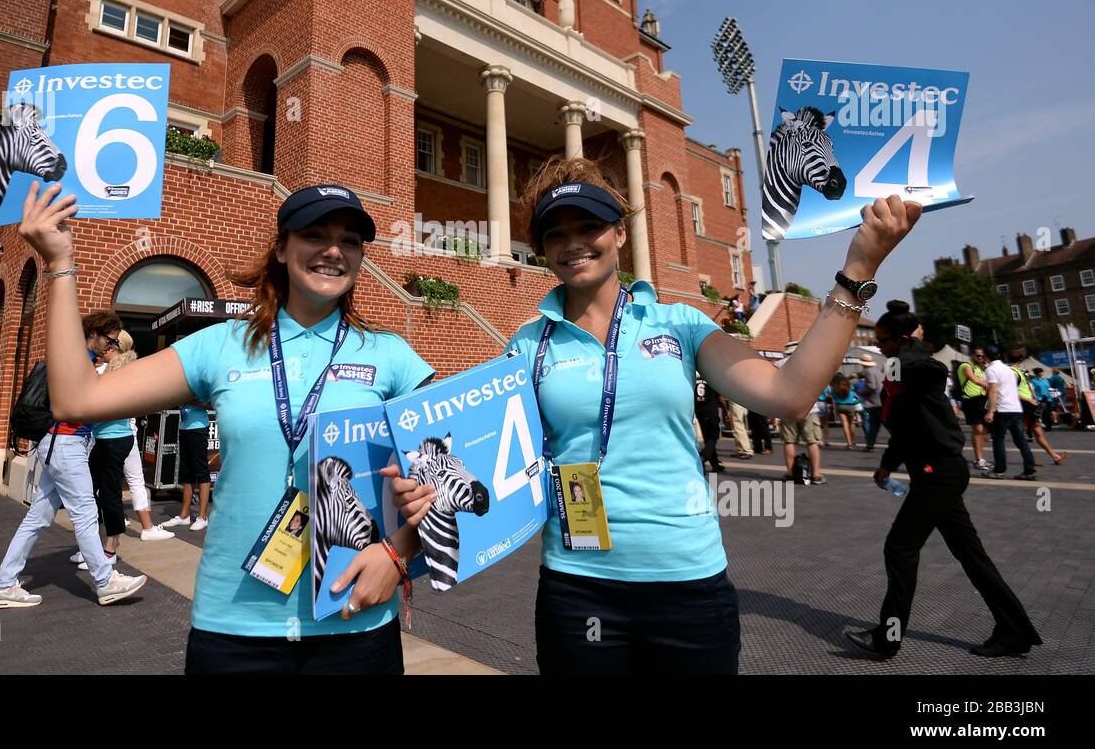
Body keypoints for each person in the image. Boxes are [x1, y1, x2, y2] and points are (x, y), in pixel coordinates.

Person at [391, 156, 920, 674]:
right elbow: (480, 453)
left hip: (688, 582)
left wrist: (859, 269)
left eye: (589, 225)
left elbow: (789, 393)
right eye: (555, 233)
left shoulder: (679, 323)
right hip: (578, 587)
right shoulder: (528, 345)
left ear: (619, 233)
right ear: (542, 249)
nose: (573, 241)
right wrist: (423, 485)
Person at [9, 180, 433, 673]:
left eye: (351, 241)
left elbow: (451, 482)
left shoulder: (391, 356)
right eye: (314, 234)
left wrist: (399, 555)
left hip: (354, 623)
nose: (333, 251)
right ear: (281, 248)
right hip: (234, 629)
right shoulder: (221, 345)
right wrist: (59, 266)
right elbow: (75, 399)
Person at [843, 301, 1043, 660]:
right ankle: (1015, 631)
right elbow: (904, 430)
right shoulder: (900, 376)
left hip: (939, 475)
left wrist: (909, 349)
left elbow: (933, 370)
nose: (880, 348)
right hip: (937, 473)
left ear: (901, 340)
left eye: (884, 341)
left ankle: (888, 638)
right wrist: (887, 465)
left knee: (900, 548)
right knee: (972, 557)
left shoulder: (918, 368)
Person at [0, 309, 148, 608]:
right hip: (67, 443)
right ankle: (105, 581)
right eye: (109, 341)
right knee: (85, 513)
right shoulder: (80, 364)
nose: (111, 347)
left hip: (58, 443)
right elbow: (77, 408)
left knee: (37, 517)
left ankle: (4, 584)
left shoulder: (77, 360)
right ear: (94, 335)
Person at [70, 330, 172, 571]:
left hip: (117, 439)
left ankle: (110, 550)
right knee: (88, 494)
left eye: (105, 342)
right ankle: (92, 548)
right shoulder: (103, 370)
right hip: (105, 438)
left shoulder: (122, 372)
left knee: (110, 494)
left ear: (113, 347)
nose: (100, 347)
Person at [983, 346, 1037, 480]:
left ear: (986, 356)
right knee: (1021, 441)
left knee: (998, 440)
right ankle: (1029, 470)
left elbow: (993, 390)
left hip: (1002, 409)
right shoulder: (1008, 369)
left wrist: (991, 411)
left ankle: (999, 470)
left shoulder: (991, 369)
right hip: (1016, 408)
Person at [162, 402, 213, 531]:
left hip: (199, 427)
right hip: (184, 428)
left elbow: (211, 403)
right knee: (186, 472)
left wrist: (187, 399)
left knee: (201, 471)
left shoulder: (200, 384)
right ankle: (184, 515)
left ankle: (203, 517)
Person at [1015, 356, 1067, 465]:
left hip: (1030, 405)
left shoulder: (1024, 375)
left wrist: (1033, 399)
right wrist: (1031, 399)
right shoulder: (1014, 373)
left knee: (1037, 432)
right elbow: (1013, 391)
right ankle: (1031, 460)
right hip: (1022, 406)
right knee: (1021, 434)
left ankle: (1055, 456)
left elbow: (1030, 388)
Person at [956, 348, 991, 471]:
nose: (981, 357)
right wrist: (993, 385)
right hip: (971, 400)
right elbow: (974, 380)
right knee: (978, 429)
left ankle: (981, 458)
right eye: (978, 355)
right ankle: (979, 459)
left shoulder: (979, 368)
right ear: (972, 355)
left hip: (981, 400)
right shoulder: (966, 365)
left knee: (983, 431)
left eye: (983, 356)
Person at [694, 373, 726, 473]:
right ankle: (703, 456)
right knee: (713, 437)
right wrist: (725, 409)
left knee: (707, 438)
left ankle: (715, 464)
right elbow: (720, 397)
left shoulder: (694, 381)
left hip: (699, 411)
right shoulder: (712, 380)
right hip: (711, 411)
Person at [858, 352, 884, 451]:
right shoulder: (876, 370)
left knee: (873, 424)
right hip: (881, 400)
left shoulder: (868, 371)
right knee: (877, 424)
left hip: (874, 402)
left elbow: (871, 386)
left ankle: (869, 444)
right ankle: (869, 444)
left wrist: (861, 391)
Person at [830, 373, 861, 448]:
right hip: (851, 406)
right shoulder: (849, 385)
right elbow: (854, 393)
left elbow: (833, 397)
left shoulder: (834, 388)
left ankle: (849, 443)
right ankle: (853, 440)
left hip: (840, 406)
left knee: (845, 424)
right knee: (851, 424)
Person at [723, 395, 754, 460]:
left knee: (738, 425)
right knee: (735, 425)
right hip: (734, 399)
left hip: (736, 399)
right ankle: (741, 450)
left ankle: (746, 450)